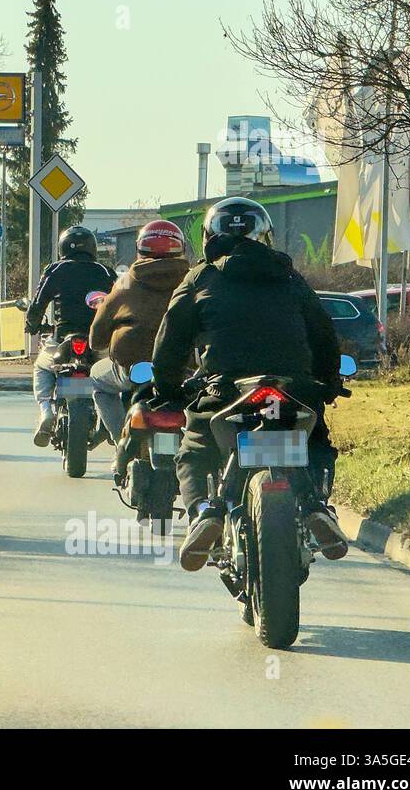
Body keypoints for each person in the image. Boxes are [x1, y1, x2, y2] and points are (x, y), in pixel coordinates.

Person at [151, 197, 350, 571]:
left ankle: (204, 513)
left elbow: (170, 341)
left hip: (225, 392)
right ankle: (316, 506)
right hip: (292, 389)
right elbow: (323, 333)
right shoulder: (290, 277)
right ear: (265, 235)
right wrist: (328, 381)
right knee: (316, 439)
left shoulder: (199, 278)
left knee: (194, 448)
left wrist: (167, 389)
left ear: (210, 236)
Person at [88, 220, 190, 468]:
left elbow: (97, 337)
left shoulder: (126, 282)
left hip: (135, 369)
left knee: (97, 380)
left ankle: (120, 442)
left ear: (140, 248)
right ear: (180, 248)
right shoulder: (192, 280)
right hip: (182, 368)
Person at [24, 225, 117, 444]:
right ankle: (107, 422)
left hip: (62, 339)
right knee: (109, 375)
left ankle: (46, 411)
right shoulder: (105, 272)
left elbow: (38, 302)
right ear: (92, 247)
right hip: (97, 340)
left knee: (42, 367)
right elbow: (118, 302)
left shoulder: (55, 270)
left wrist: (32, 323)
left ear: (62, 247)